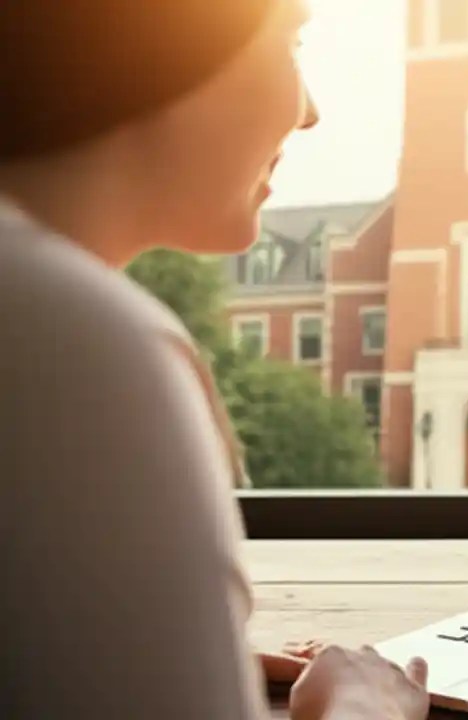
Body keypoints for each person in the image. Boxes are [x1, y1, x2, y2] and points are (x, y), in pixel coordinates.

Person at [0, 1, 430, 718]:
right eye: (292, 43)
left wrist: (173, 641)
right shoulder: (81, 346)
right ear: (166, 42)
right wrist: (364, 706)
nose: (310, 112)